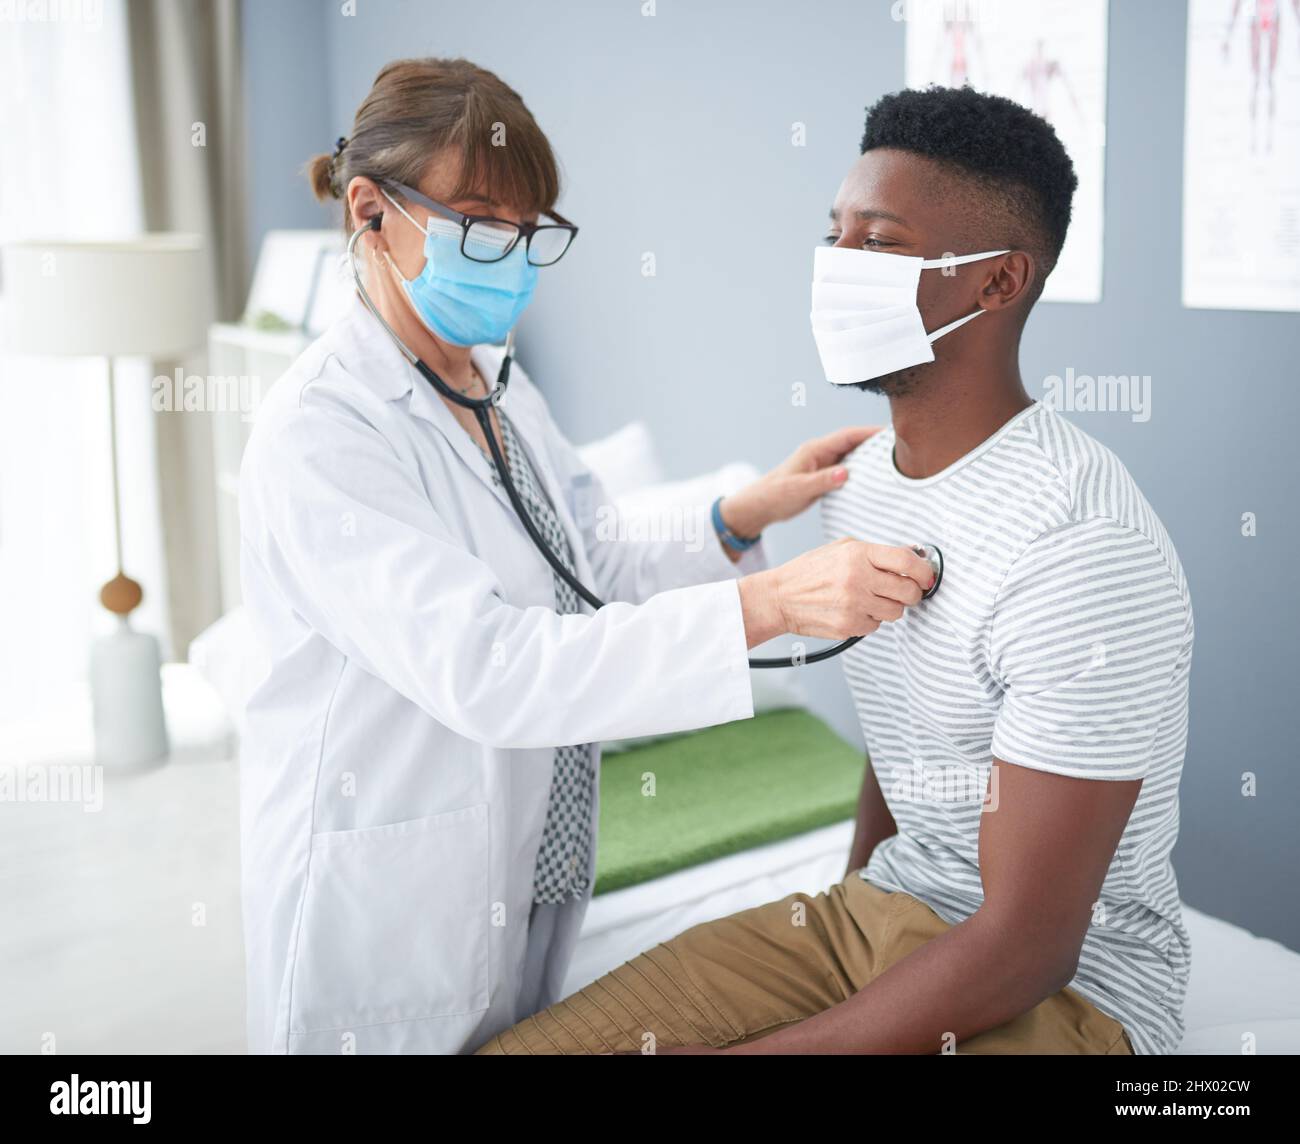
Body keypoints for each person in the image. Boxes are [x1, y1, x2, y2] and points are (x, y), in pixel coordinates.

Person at [237, 57, 934, 1055]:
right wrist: (769, 605)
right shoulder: (322, 431)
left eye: (530, 230)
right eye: (483, 222)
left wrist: (740, 514)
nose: (512, 255)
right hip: (384, 911)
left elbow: (584, 553)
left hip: (519, 870)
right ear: (369, 210)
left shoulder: (494, 385)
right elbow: (489, 667)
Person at [478, 86, 1194, 1057]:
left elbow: (1029, 945)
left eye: (879, 242)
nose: (835, 270)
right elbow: (909, 741)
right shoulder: (857, 483)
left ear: (995, 283)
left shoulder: (1080, 546)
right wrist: (857, 897)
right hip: (872, 920)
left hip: (1070, 997)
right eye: (834, 235)